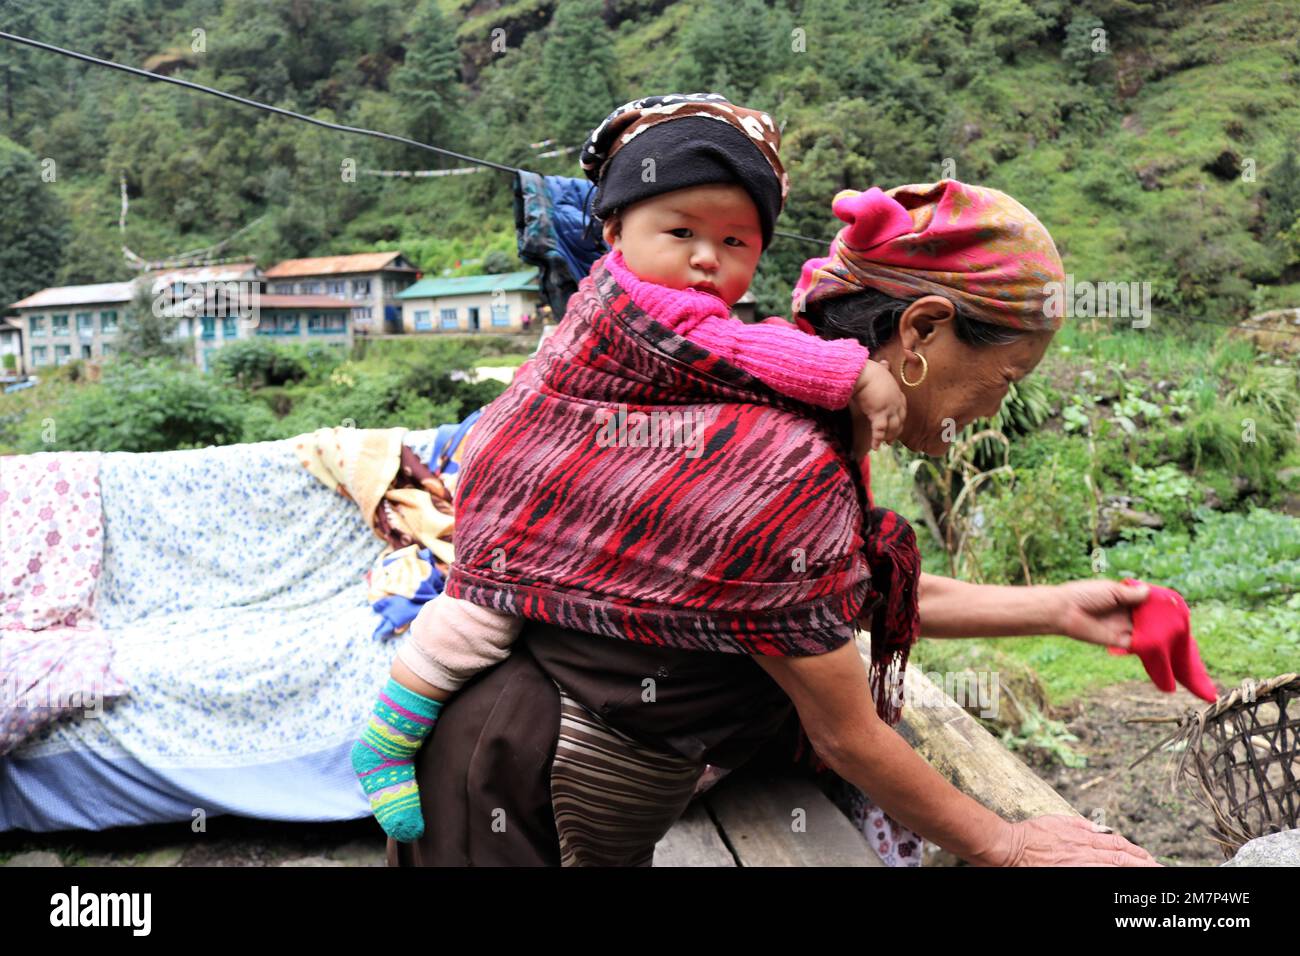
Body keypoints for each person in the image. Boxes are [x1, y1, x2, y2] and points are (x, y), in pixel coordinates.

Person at [387, 174, 1160, 867]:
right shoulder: (789, 462)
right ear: (921, 330)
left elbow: (816, 605)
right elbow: (845, 733)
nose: (997, 405)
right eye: (1006, 376)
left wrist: (1055, 608)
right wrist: (1011, 843)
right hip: (517, 780)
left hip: (567, 771)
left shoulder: (806, 409)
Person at [350, 93, 906, 842]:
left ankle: (394, 737)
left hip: (536, 494)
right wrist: (853, 372)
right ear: (615, 231)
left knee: (490, 612)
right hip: (523, 482)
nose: (708, 258)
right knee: (476, 619)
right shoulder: (637, 305)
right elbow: (748, 352)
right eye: (681, 232)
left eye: (737, 243)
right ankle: (385, 741)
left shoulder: (662, 301)